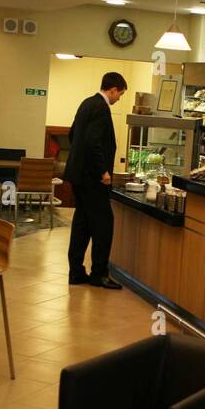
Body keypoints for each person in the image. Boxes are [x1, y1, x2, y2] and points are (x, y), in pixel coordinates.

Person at [66, 72, 128, 288]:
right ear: (112, 89)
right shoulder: (101, 108)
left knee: (82, 223)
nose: (118, 98)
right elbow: (93, 142)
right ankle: (99, 274)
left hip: (78, 176)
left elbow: (73, 134)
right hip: (93, 178)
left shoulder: (86, 103)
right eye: (119, 94)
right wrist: (103, 171)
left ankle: (76, 271)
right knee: (104, 224)